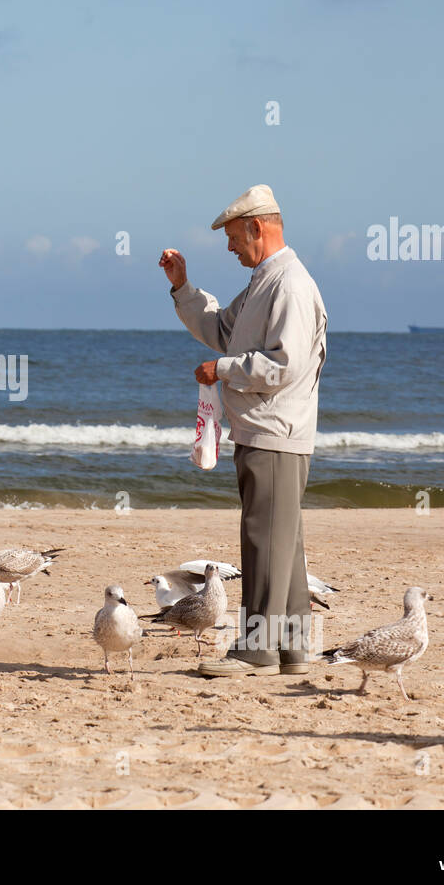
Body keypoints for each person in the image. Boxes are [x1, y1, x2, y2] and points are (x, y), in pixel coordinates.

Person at [159, 184, 327, 678]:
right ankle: (292, 651)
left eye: (234, 237)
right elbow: (221, 328)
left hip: (275, 430)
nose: (230, 248)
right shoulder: (265, 281)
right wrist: (182, 286)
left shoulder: (289, 285)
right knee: (282, 544)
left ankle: (256, 651)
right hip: (267, 430)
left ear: (258, 227)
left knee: (262, 540)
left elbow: (284, 364)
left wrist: (223, 370)